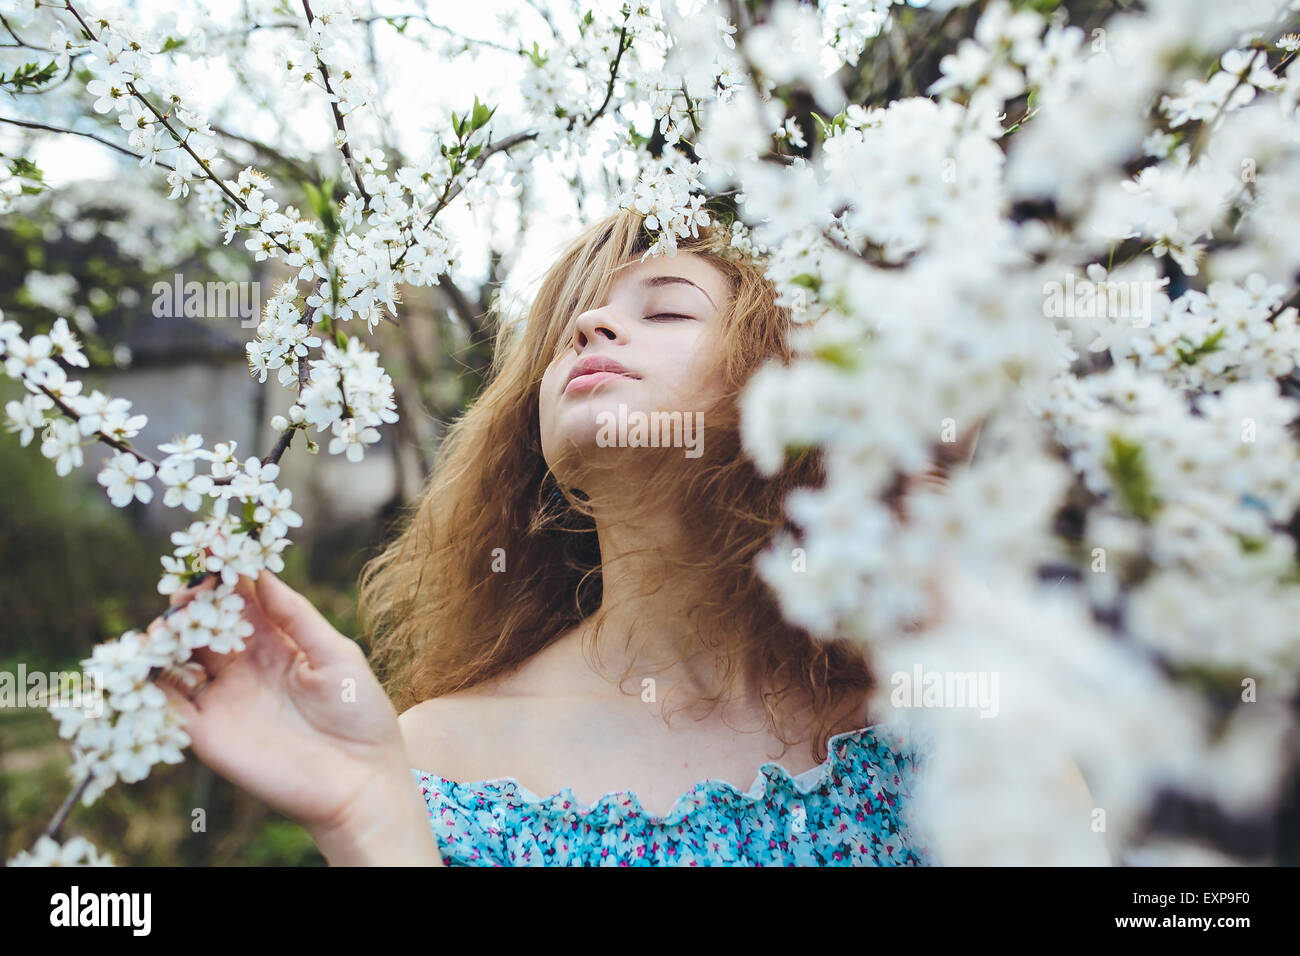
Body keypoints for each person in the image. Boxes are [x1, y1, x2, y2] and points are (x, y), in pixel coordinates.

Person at [151, 208, 974, 866]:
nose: (590, 326)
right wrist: (367, 822)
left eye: (667, 308)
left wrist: (933, 533)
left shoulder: (913, 708)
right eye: (570, 330)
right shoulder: (430, 755)